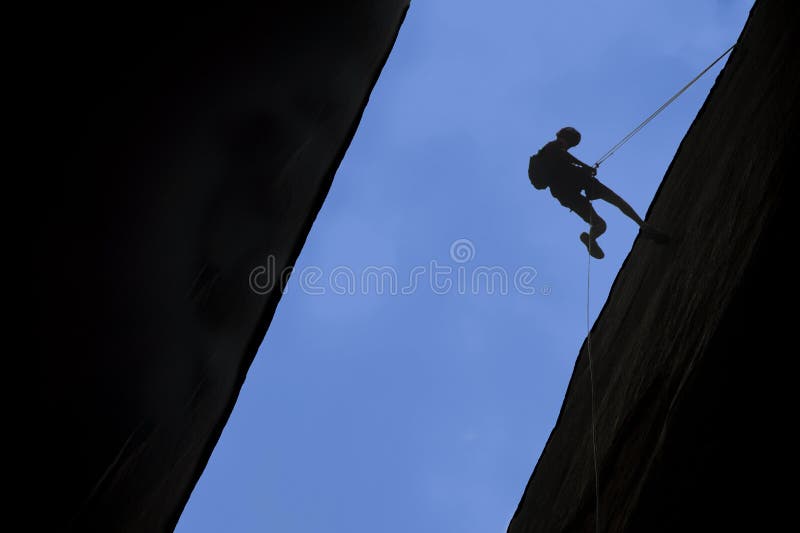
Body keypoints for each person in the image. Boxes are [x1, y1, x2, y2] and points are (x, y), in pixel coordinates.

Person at [528, 126, 668, 259]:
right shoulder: (553, 147)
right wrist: (586, 167)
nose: (568, 147)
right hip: (579, 181)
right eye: (570, 144)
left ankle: (591, 238)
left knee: (600, 224)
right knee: (616, 200)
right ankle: (644, 226)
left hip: (566, 195)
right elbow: (564, 156)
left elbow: (564, 158)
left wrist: (584, 168)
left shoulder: (549, 156)